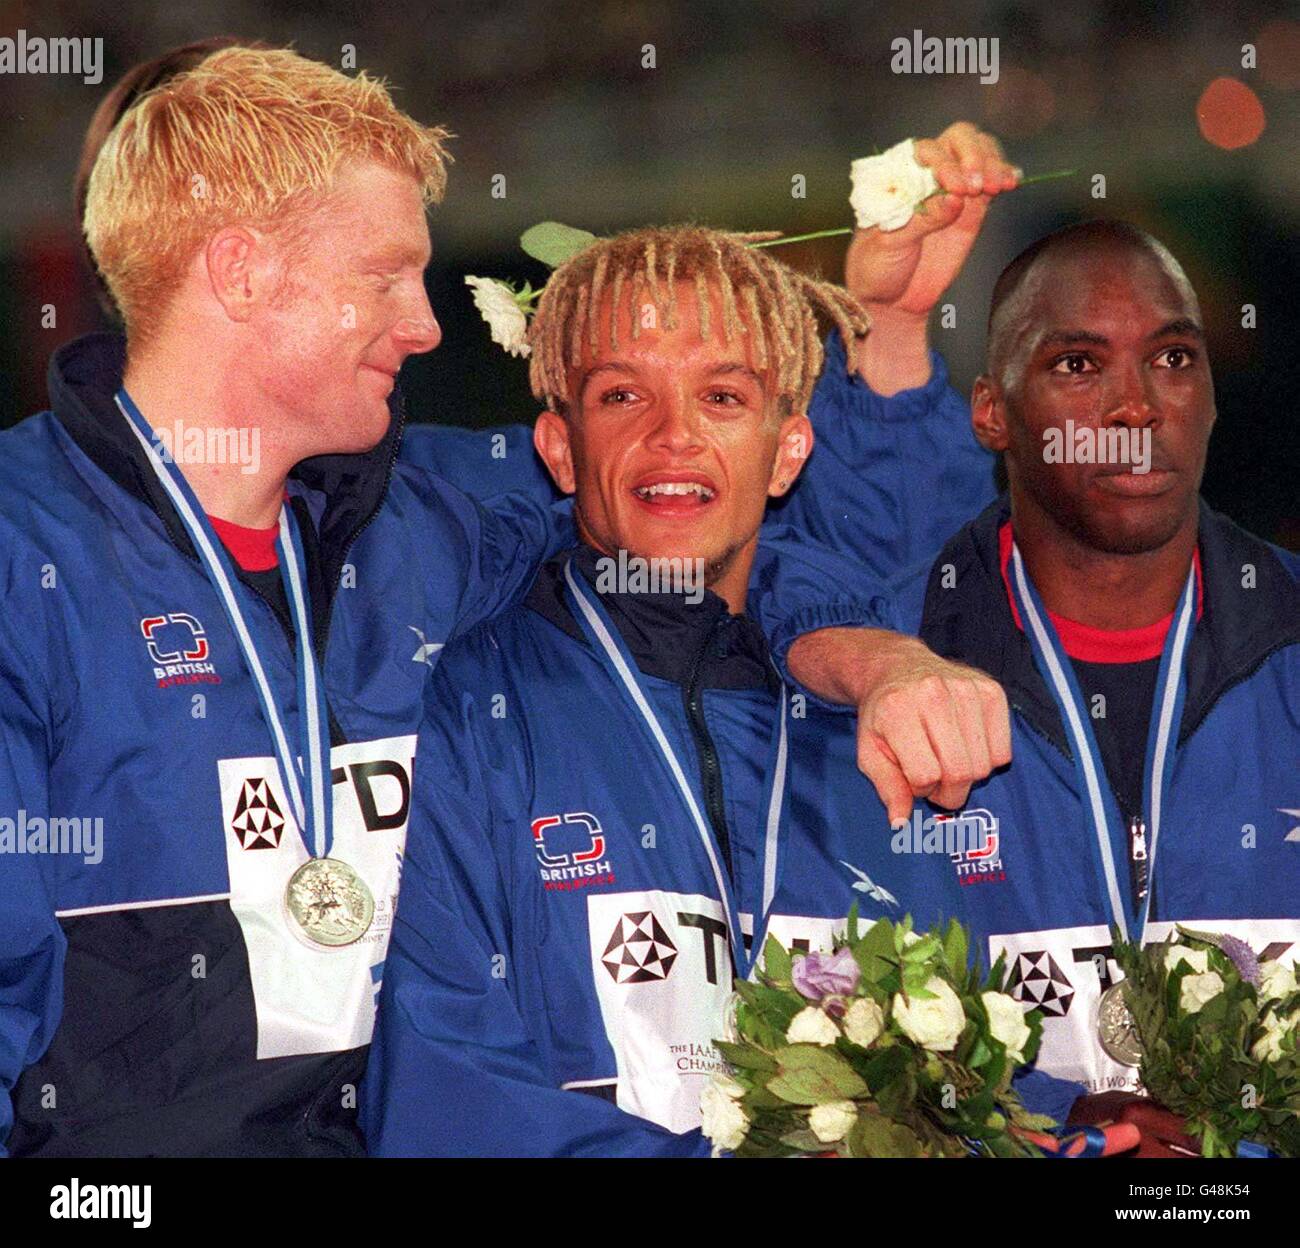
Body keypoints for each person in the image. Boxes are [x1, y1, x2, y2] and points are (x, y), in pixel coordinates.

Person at [0, 44, 1001, 1157]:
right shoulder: (20, 558)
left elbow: (704, 526)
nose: (425, 326)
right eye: (382, 276)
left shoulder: (428, 520)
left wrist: (866, 647)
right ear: (242, 273)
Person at [363, 225, 978, 1156]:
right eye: (622, 394)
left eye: (723, 395)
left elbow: (961, 1077)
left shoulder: (874, 733)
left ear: (787, 454)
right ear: (562, 453)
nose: (674, 433)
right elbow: (444, 1097)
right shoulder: (458, 709)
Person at [877, 220, 1299, 1132]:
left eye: (1175, 358)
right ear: (991, 411)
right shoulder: (885, 666)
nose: (1136, 407)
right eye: (1078, 366)